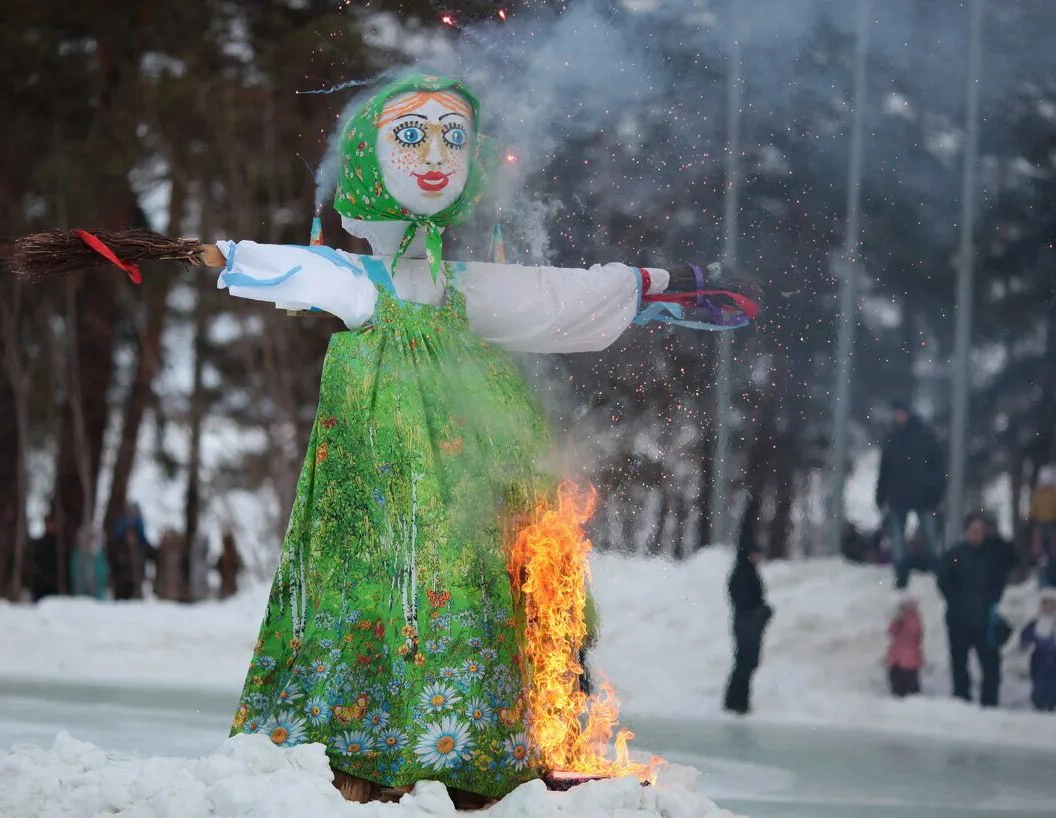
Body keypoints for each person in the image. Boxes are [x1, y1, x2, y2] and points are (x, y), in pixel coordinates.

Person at [209, 73, 755, 803]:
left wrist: (659, 286)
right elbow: (300, 270)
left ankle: (484, 742)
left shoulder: (465, 289)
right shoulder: (360, 282)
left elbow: (555, 296)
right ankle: (365, 748)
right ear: (370, 162)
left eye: (453, 136)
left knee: (482, 584)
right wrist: (197, 253)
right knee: (395, 586)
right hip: (386, 472)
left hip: (477, 470)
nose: (436, 152)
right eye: (412, 135)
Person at [938, 512, 1016, 706]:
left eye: (980, 531)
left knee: (990, 665)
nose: (976, 535)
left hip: (984, 618)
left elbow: (1012, 559)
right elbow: (943, 579)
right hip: (959, 618)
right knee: (959, 662)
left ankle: (989, 703)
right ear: (966, 533)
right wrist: (954, 602)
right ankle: (961, 699)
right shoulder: (955, 554)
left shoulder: (993, 553)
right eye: (972, 531)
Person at [876, 402, 946, 589]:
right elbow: (885, 470)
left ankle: (936, 570)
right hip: (899, 494)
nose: (898, 417)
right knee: (898, 537)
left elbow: (938, 466)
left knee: (929, 535)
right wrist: (880, 495)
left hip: (923, 494)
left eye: (900, 413)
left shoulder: (925, 436)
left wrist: (936, 489)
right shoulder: (893, 438)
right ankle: (901, 572)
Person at [724, 540, 772, 714]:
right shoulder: (743, 573)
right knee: (745, 661)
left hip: (748, 621)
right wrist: (755, 611)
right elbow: (742, 599)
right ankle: (737, 701)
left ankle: (738, 700)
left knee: (747, 661)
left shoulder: (748, 572)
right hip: (746, 622)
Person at [1020, 590, 1056, 711]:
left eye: (1051, 605)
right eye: (1045, 605)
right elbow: (1026, 636)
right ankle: (1038, 702)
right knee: (1039, 681)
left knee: (1052, 682)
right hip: (1039, 658)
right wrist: (1025, 642)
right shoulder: (1035, 622)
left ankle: (1051, 703)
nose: (1048, 608)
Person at [885, 593, 924, 697]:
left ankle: (913, 696)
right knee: (895, 677)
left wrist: (905, 619)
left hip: (910, 655)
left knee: (910, 678)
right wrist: (897, 620)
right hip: (896, 656)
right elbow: (891, 632)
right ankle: (897, 693)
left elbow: (914, 632)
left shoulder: (915, 618)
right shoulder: (898, 619)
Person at [1029, 465, 1056, 588]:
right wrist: (1031, 517)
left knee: (1052, 544)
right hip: (1040, 523)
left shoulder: (1054, 493)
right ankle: (1040, 560)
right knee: (1039, 544)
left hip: (1052, 523)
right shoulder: (1038, 494)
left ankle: (1051, 558)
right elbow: (1033, 508)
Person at [70, 524, 109, 599]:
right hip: (80, 597)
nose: (89, 542)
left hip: (98, 597)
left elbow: (103, 575)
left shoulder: (99, 556)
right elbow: (76, 576)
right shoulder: (78, 556)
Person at [28, 516, 61, 601]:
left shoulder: (60, 546)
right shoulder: (38, 544)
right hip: (41, 585)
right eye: (49, 524)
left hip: (54, 585)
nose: (51, 526)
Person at [215, 530, 243, 599]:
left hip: (230, 586)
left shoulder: (232, 556)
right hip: (226, 586)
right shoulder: (225, 556)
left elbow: (238, 567)